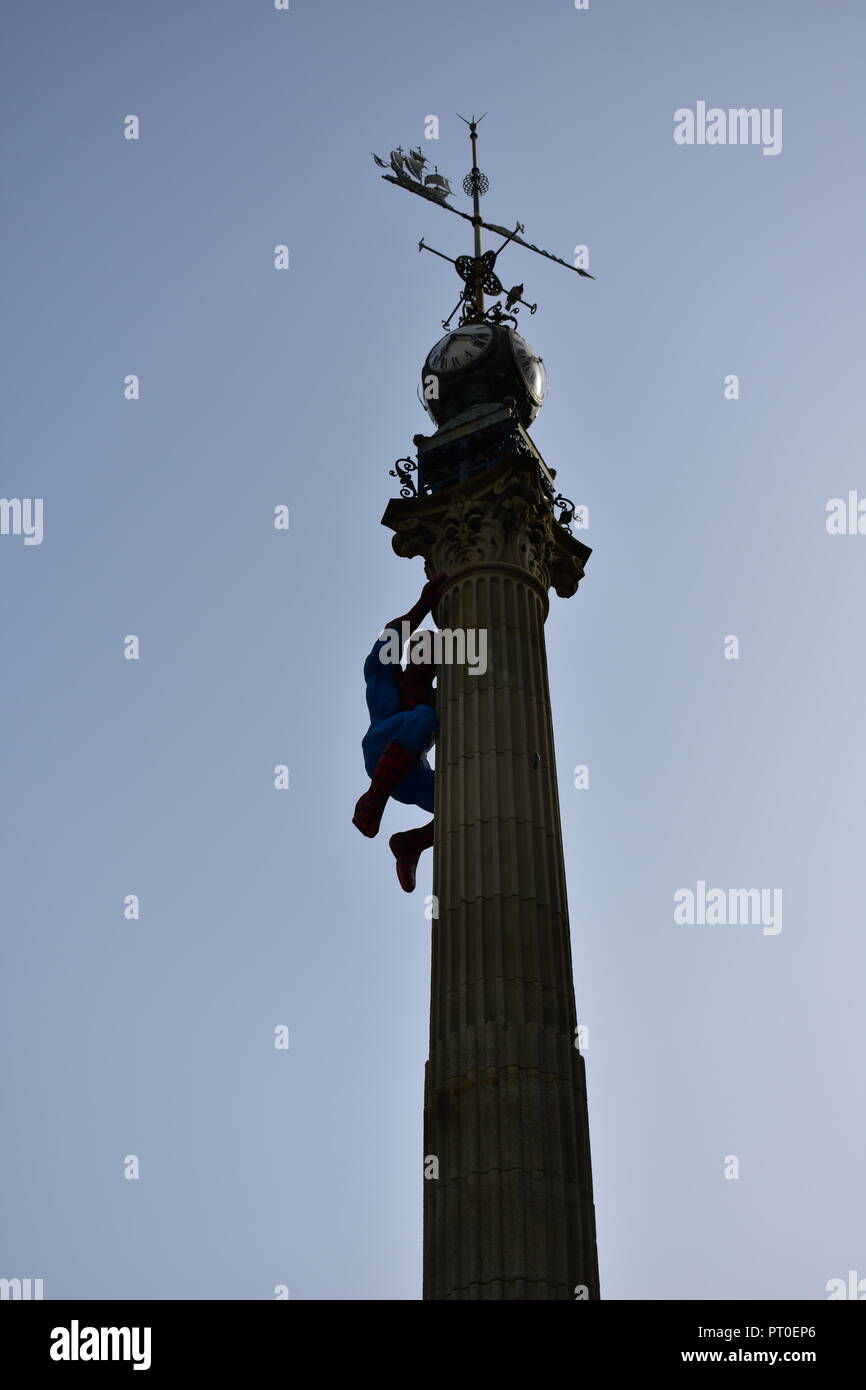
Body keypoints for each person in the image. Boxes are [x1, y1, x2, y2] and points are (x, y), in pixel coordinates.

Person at [353, 572, 447, 892]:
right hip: (381, 747)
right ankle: (374, 800)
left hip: (411, 775)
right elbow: (390, 637)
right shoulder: (387, 680)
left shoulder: (440, 698)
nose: (426, 658)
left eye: (433, 656)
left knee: (463, 800)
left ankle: (412, 843)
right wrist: (422, 606)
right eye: (421, 649)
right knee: (423, 715)